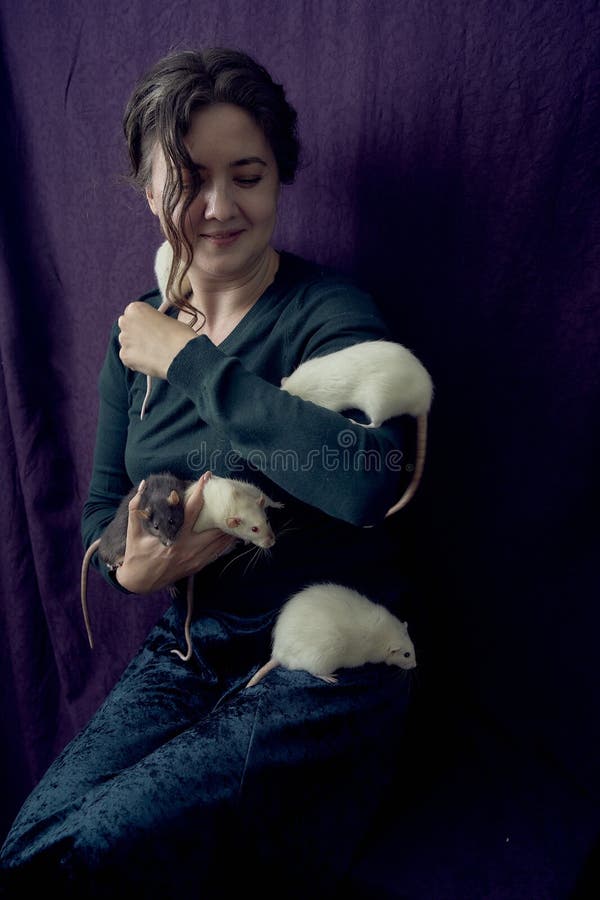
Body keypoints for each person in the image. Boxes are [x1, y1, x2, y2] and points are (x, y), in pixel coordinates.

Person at [0, 47, 417, 898]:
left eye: (247, 176)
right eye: (188, 181)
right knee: (30, 847)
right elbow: (101, 514)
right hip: (192, 653)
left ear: (279, 177)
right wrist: (130, 567)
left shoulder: (327, 313)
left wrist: (189, 361)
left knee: (94, 851)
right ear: (148, 187)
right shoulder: (134, 338)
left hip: (325, 661)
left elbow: (370, 482)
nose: (220, 207)